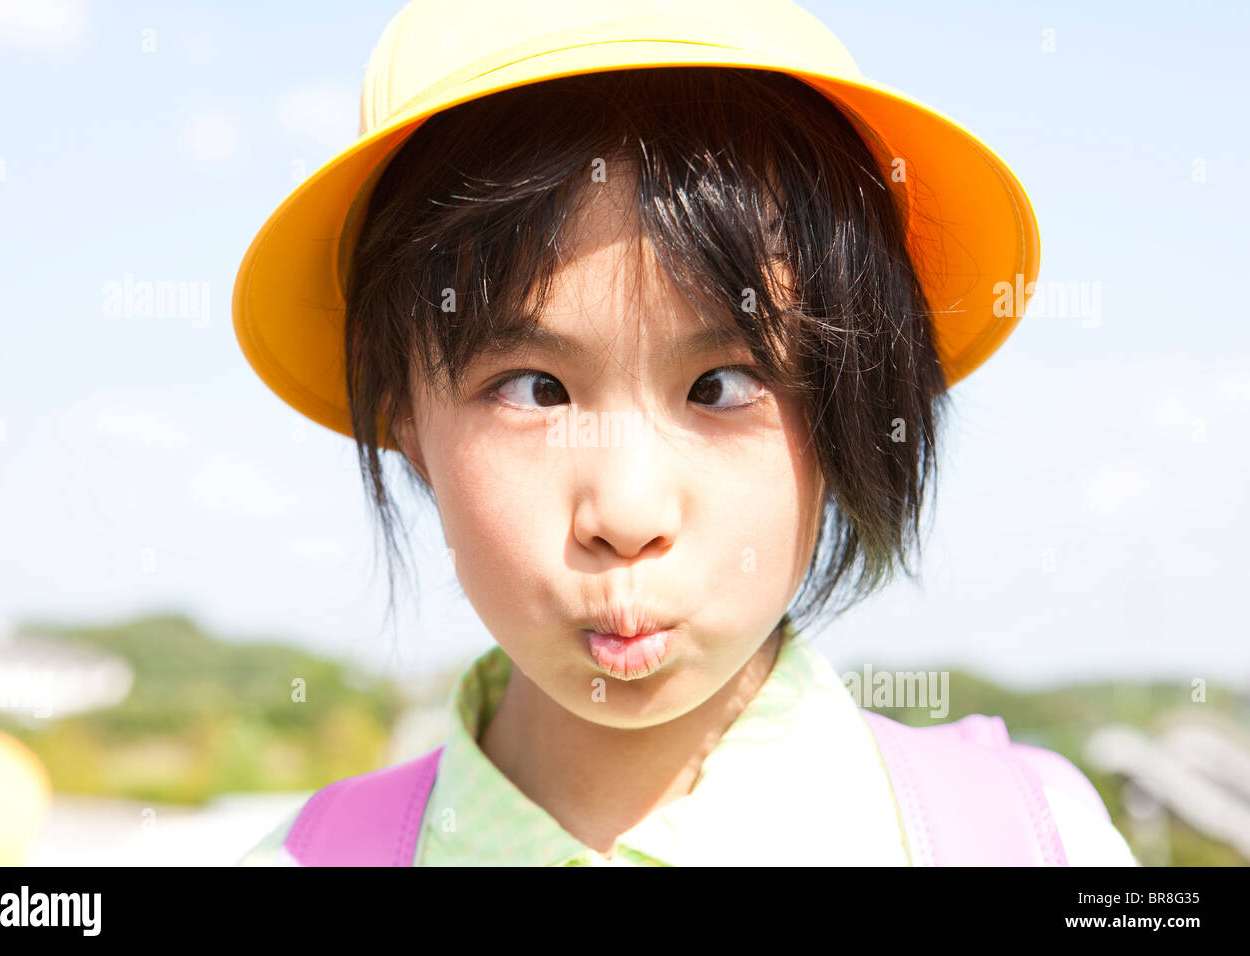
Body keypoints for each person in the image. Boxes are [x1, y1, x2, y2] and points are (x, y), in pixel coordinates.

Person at [230, 0, 1137, 866]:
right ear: (404, 418)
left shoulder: (1029, 844)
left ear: (849, 399)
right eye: (536, 389)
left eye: (723, 385)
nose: (627, 513)